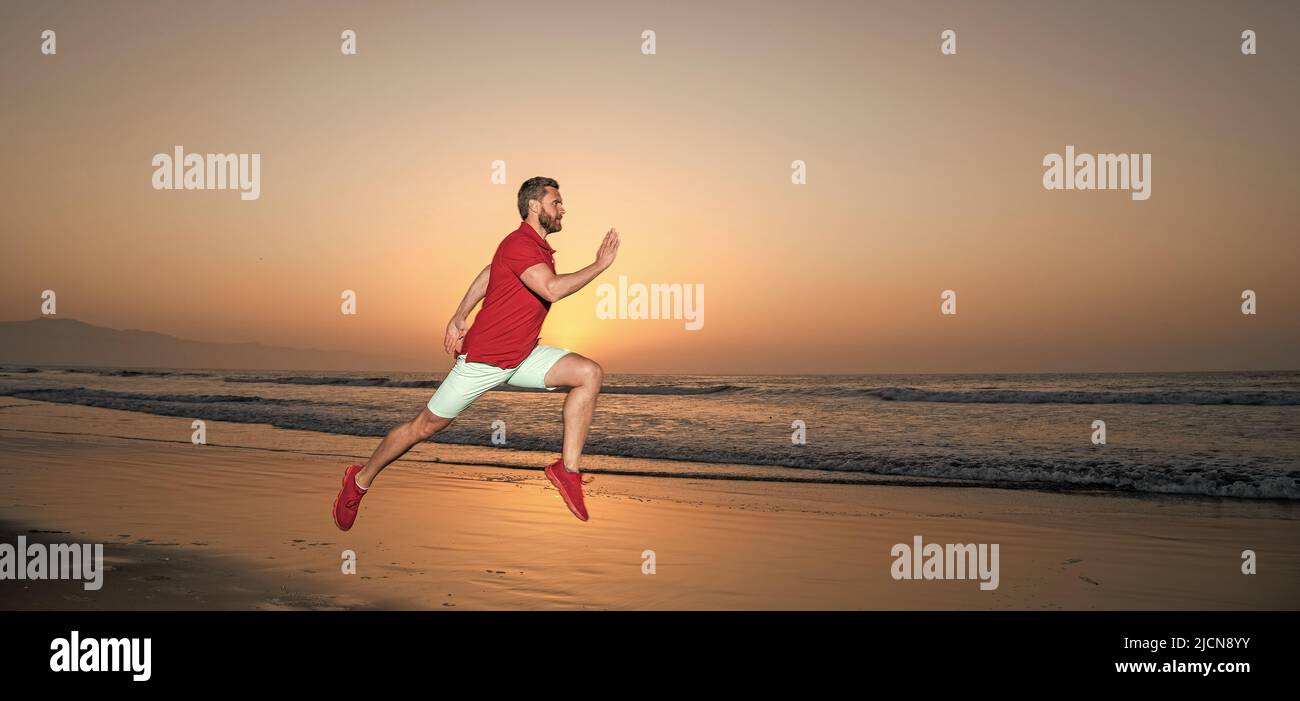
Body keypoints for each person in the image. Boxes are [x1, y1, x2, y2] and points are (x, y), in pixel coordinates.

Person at [332, 176, 618, 528]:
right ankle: (359, 481)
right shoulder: (519, 243)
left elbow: (491, 272)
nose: (562, 209)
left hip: (523, 355)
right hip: (485, 360)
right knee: (422, 427)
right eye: (556, 202)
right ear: (534, 206)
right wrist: (600, 265)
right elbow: (552, 289)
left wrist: (459, 314)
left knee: (589, 373)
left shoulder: (531, 247)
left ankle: (567, 470)